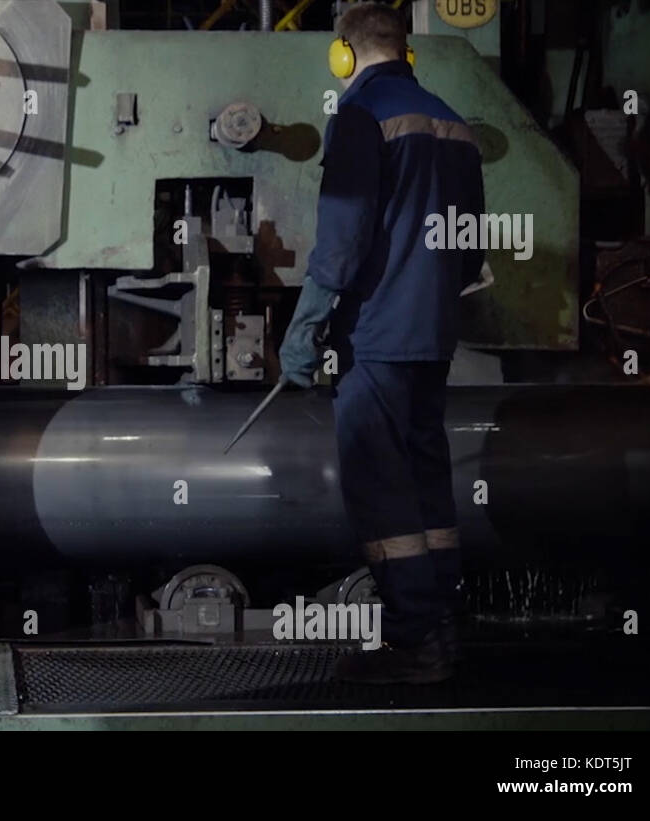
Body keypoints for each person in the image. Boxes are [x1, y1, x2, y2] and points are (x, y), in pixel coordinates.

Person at [277, 2, 485, 684]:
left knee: (381, 489)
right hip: (432, 336)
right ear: (408, 51)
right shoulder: (452, 120)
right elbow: (468, 245)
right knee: (428, 483)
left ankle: (411, 642)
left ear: (344, 54)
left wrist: (305, 325)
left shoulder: (361, 116)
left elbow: (343, 235)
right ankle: (445, 631)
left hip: (376, 337)